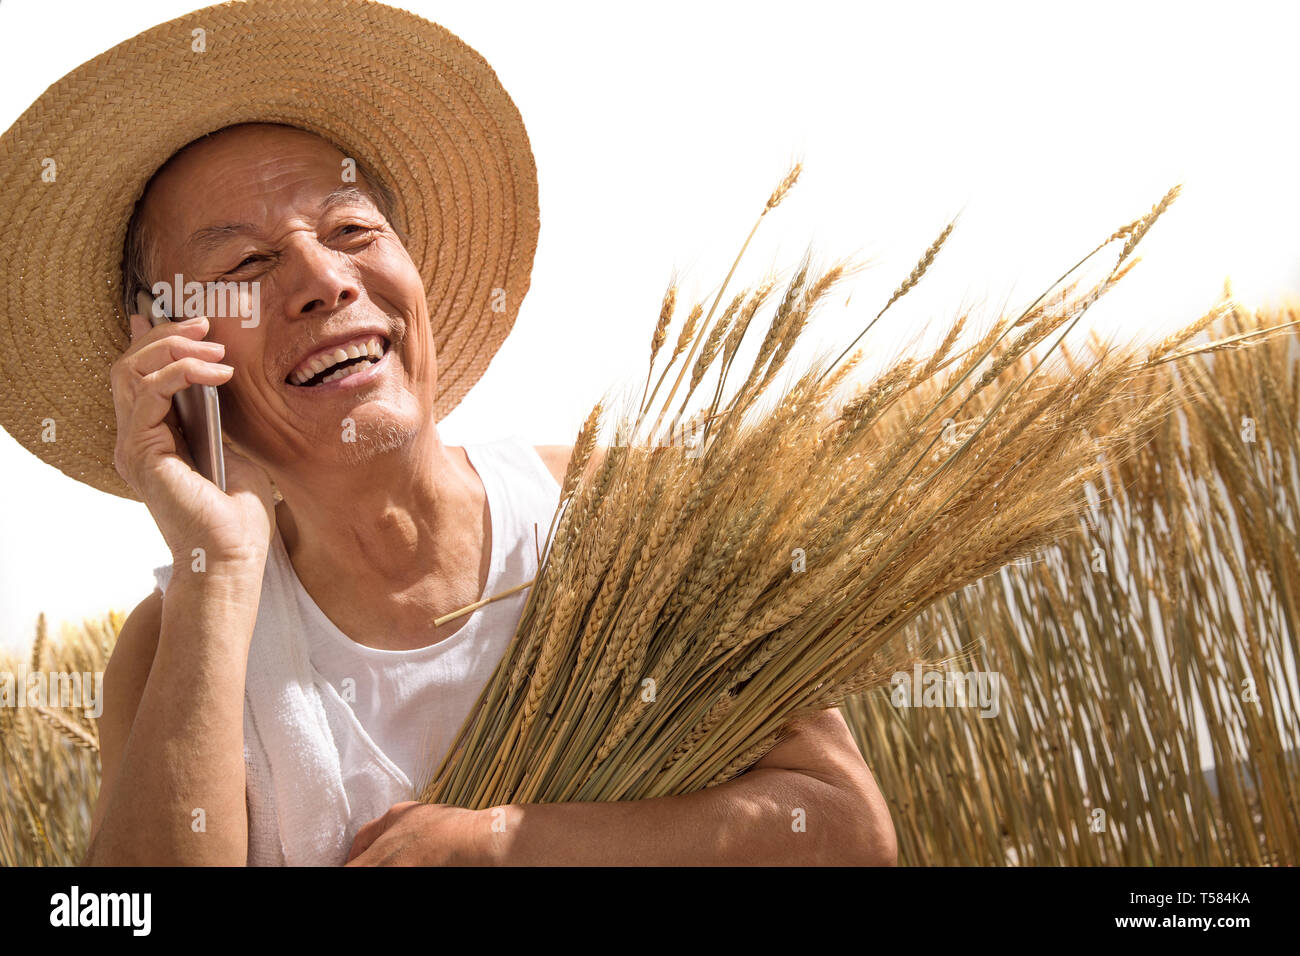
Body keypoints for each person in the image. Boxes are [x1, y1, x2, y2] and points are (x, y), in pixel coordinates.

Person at [0, 0, 896, 866]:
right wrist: (220, 567)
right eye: (245, 263)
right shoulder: (173, 646)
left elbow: (846, 830)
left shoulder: (622, 517)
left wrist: (503, 846)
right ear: (169, 354)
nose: (324, 277)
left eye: (352, 229)